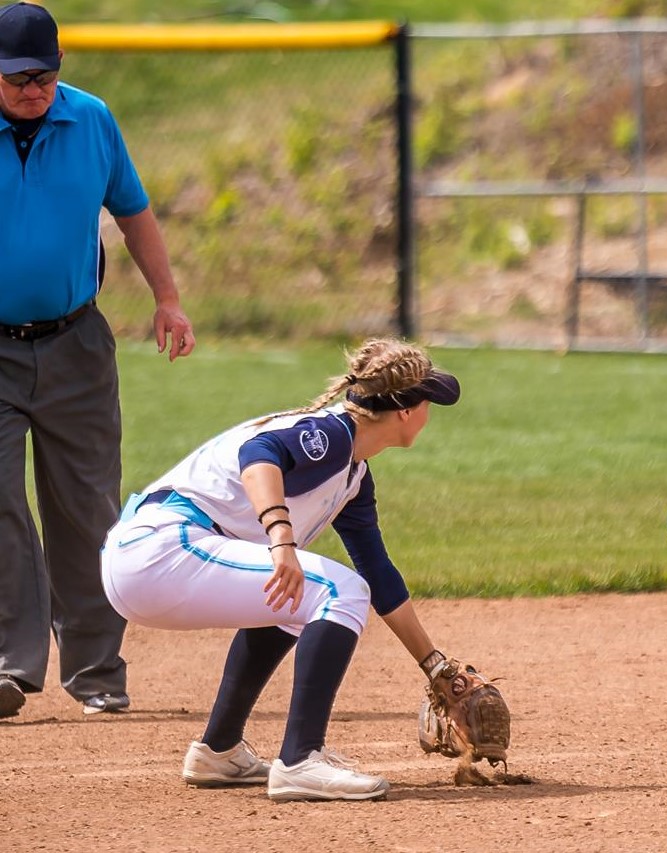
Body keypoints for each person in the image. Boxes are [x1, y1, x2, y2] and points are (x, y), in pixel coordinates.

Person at [101, 339, 468, 801]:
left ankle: (219, 750)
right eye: (427, 400)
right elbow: (258, 456)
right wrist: (281, 540)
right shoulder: (331, 436)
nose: (429, 411)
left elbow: (380, 575)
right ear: (405, 411)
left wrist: (435, 667)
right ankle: (300, 760)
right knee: (339, 591)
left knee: (299, 599)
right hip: (161, 548)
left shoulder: (352, 473)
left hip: (158, 557)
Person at [0, 1, 195, 721]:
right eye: (18, 77)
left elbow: (135, 210)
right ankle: (10, 666)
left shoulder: (91, 119)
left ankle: (95, 670)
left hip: (76, 341)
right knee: (0, 506)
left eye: (45, 74)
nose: (33, 89)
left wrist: (168, 298)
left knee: (87, 507)